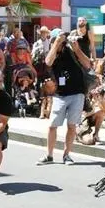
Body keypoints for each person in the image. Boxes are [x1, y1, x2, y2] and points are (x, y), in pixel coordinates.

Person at [37, 28, 91, 166]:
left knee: (72, 125)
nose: (62, 41)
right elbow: (48, 62)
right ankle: (49, 155)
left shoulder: (71, 49)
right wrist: (56, 43)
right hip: (60, 94)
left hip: (77, 92)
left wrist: (77, 49)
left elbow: (88, 64)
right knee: (52, 125)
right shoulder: (52, 51)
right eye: (58, 39)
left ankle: (67, 155)